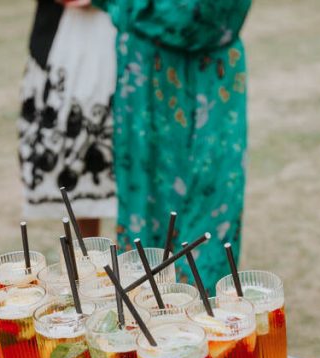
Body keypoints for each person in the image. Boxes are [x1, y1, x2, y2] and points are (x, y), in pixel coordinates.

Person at [95, 0, 252, 287]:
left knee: (210, 204)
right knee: (146, 211)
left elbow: (203, 16)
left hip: (208, 78)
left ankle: (207, 318)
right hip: (147, 81)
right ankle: (146, 313)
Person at [18, 0, 116, 236]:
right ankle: (89, 262)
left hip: (132, 28)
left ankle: (150, 261)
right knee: (78, 161)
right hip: (65, 33)